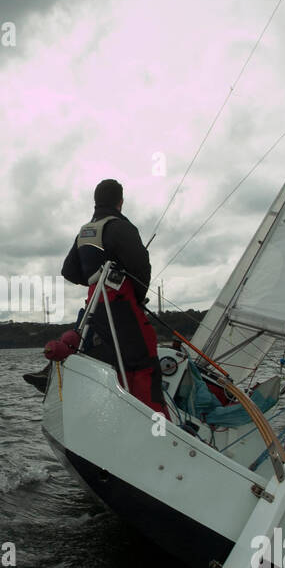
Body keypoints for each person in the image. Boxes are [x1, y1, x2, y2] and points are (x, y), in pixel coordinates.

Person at [59, 178, 166, 415]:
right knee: (142, 362)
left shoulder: (85, 232)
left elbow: (68, 271)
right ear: (120, 202)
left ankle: (107, 414)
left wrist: (93, 281)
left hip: (95, 309)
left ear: (96, 201)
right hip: (122, 307)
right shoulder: (122, 227)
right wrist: (136, 298)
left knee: (105, 360)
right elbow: (141, 270)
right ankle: (154, 425)